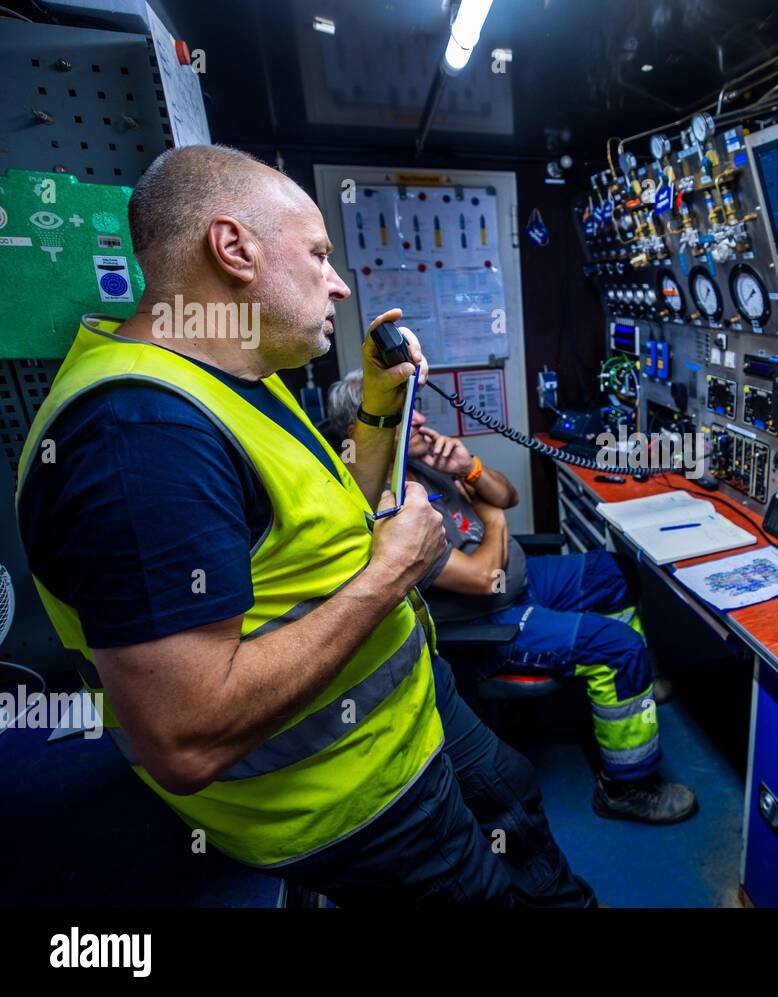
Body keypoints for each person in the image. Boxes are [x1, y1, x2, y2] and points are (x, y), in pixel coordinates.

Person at [16, 144, 593, 907]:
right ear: (233, 248)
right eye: (319, 253)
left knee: (512, 794)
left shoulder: (236, 376)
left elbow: (331, 514)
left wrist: (384, 405)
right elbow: (187, 736)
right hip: (349, 796)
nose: (340, 279)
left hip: (414, 712)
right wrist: (393, 572)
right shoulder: (139, 436)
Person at [328, 370, 699, 824]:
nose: (421, 417)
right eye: (405, 409)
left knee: (616, 572)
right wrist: (493, 516)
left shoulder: (417, 459)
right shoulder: (386, 505)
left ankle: (626, 688)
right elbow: (485, 578)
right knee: (620, 648)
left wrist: (471, 469)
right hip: (490, 620)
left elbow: (509, 493)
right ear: (362, 429)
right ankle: (625, 787)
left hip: (523, 583)